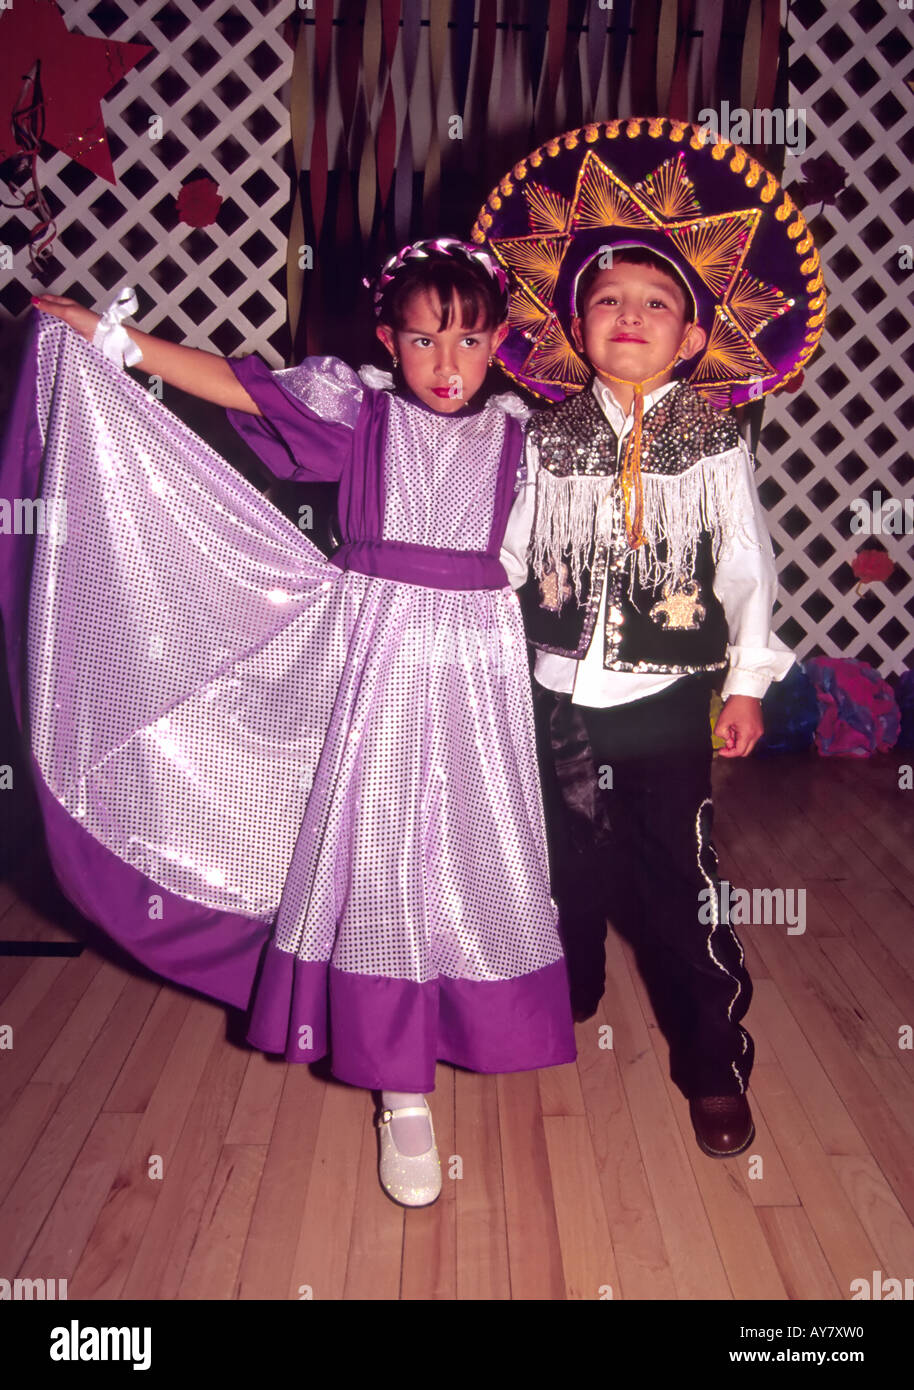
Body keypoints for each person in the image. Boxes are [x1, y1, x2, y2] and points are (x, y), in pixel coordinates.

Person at [10, 238, 576, 1207]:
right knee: (384, 857)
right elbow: (240, 389)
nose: (449, 365)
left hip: (477, 679)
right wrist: (114, 338)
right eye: (425, 340)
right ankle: (400, 1088)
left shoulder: (523, 440)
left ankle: (460, 1020)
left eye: (472, 340)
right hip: (377, 670)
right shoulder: (360, 420)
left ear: (500, 344)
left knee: (471, 859)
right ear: (388, 342)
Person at [480, 119, 825, 1158]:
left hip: (669, 699)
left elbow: (742, 570)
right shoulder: (539, 438)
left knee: (676, 881)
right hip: (554, 696)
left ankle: (711, 1060)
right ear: (573, 323)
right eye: (606, 300)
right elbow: (502, 558)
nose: (628, 317)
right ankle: (568, 982)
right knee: (561, 867)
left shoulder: (711, 439)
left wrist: (747, 683)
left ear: (688, 337)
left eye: (655, 303)